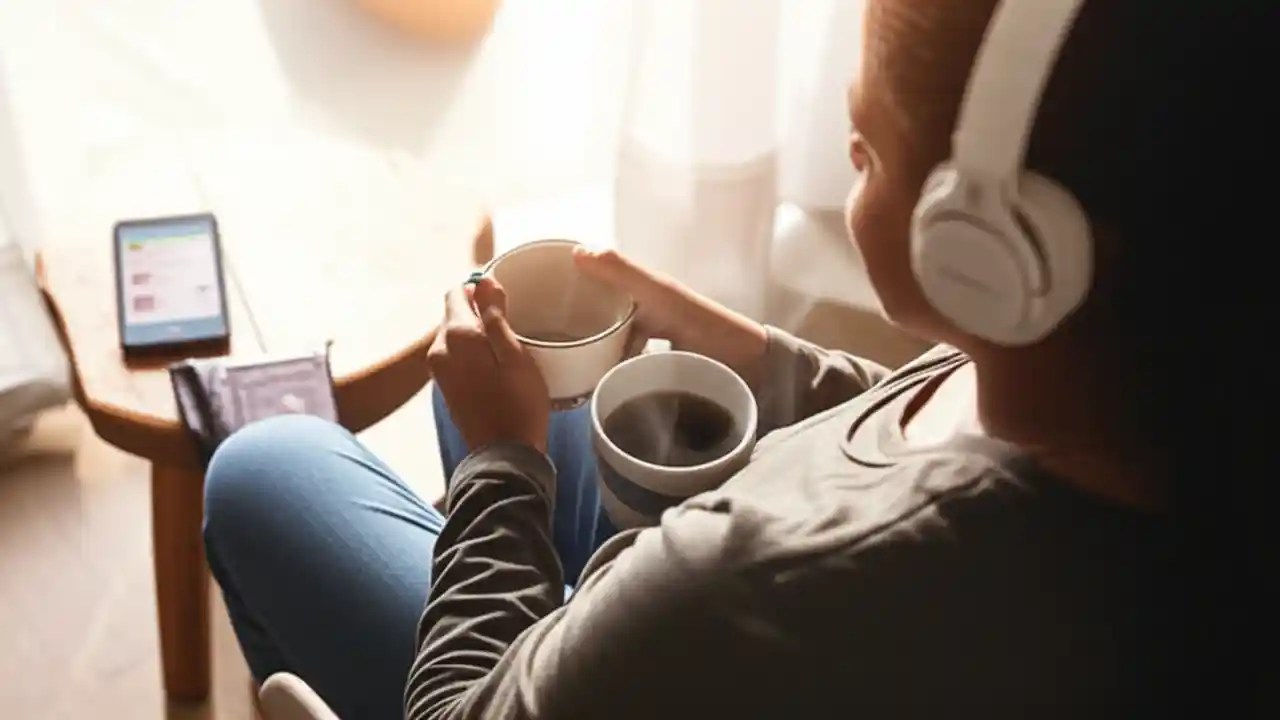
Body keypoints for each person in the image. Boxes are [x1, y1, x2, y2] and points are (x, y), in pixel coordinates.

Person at [203, 0, 1268, 717]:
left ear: (987, 251)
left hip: (628, 654)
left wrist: (501, 468)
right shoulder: (1176, 393)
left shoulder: (754, 581)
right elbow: (935, 415)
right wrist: (750, 354)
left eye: (867, 149)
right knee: (537, 396)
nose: (850, 163)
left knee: (264, 472)